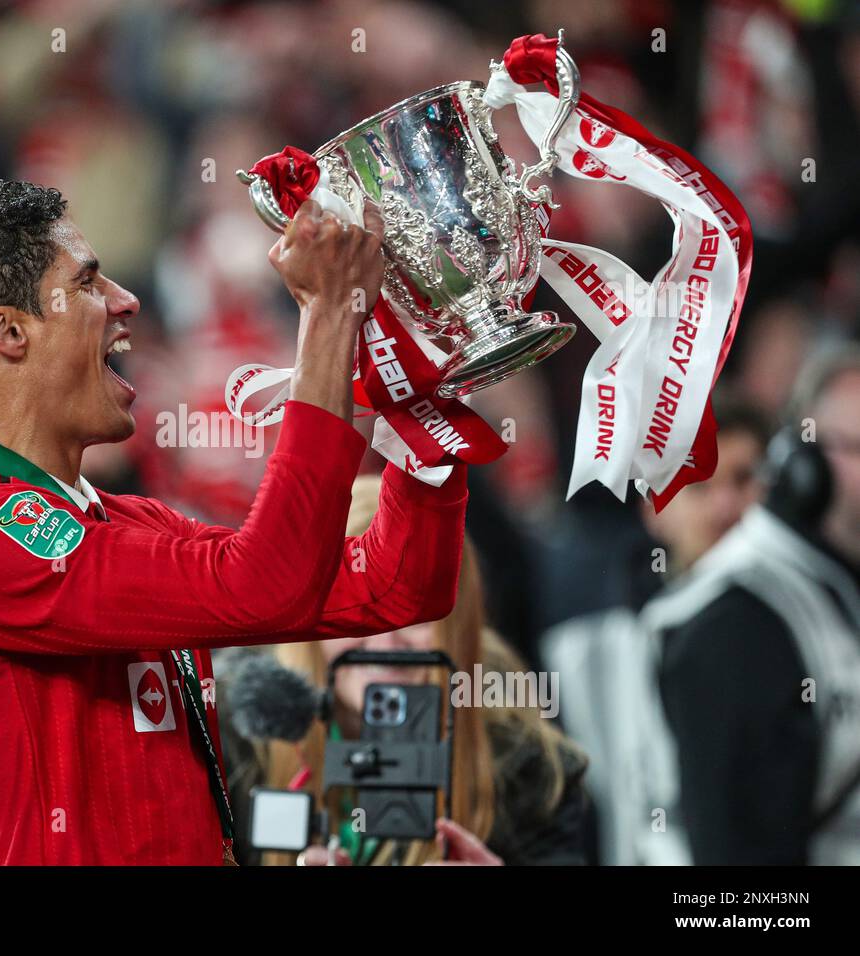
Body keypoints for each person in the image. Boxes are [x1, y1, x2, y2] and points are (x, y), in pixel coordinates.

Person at [0, 179, 469, 864]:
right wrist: (330, 314)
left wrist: (421, 422)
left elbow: (394, 590)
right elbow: (263, 585)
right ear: (9, 332)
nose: (128, 302)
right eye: (91, 282)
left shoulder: (130, 521)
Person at [217, 477, 587, 866]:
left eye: (413, 612)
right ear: (308, 614)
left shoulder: (528, 770)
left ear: (457, 623)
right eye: (357, 609)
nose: (386, 642)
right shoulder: (237, 742)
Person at [642, 348, 860, 865]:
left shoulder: (831, 587)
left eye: (741, 480)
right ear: (803, 464)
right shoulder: (741, 620)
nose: (723, 506)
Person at [540, 393, 771, 864]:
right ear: (653, 507)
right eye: (699, 485)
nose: (727, 506)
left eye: (745, 479)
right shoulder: (583, 658)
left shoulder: (825, 628)